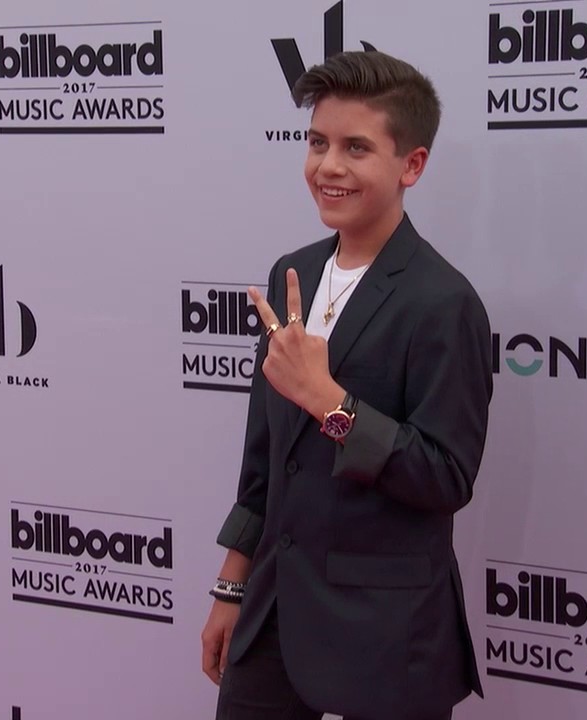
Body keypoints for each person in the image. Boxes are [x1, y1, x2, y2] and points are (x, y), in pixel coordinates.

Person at [200, 50, 493, 720]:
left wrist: (329, 403)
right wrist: (232, 587)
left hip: (388, 632)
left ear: (411, 165)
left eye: (355, 148)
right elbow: (264, 461)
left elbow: (446, 477)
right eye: (317, 143)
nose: (328, 166)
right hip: (275, 612)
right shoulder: (292, 274)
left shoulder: (443, 302)